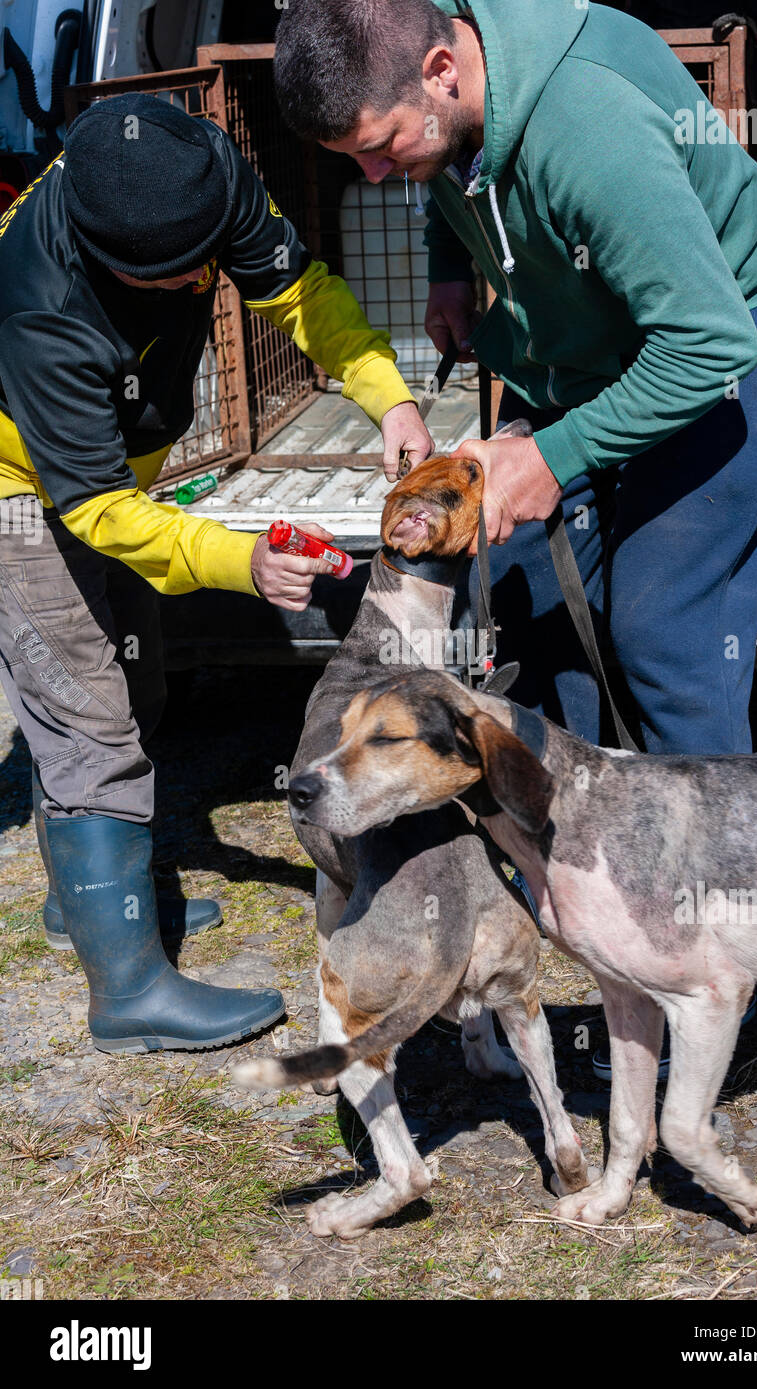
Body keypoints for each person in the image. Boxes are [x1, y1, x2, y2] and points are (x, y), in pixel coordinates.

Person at [274, 0, 757, 1074]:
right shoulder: (446, 105)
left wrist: (553, 458)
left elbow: (704, 340)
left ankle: (724, 974)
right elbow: (448, 172)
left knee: (664, 644)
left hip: (702, 349)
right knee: (538, 632)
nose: (372, 177)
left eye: (378, 150)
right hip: (580, 348)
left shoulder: (585, 128)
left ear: (438, 69)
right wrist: (455, 267)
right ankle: (613, 944)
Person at [0, 93, 433, 1055]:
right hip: (22, 492)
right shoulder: (37, 304)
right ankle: (128, 994)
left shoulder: (195, 172)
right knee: (85, 712)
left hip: (111, 474)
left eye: (206, 256)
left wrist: (390, 399)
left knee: (138, 676)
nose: (205, 278)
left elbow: (302, 293)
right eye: (175, 274)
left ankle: (89, 907)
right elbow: (96, 512)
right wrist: (239, 561)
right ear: (106, 251)